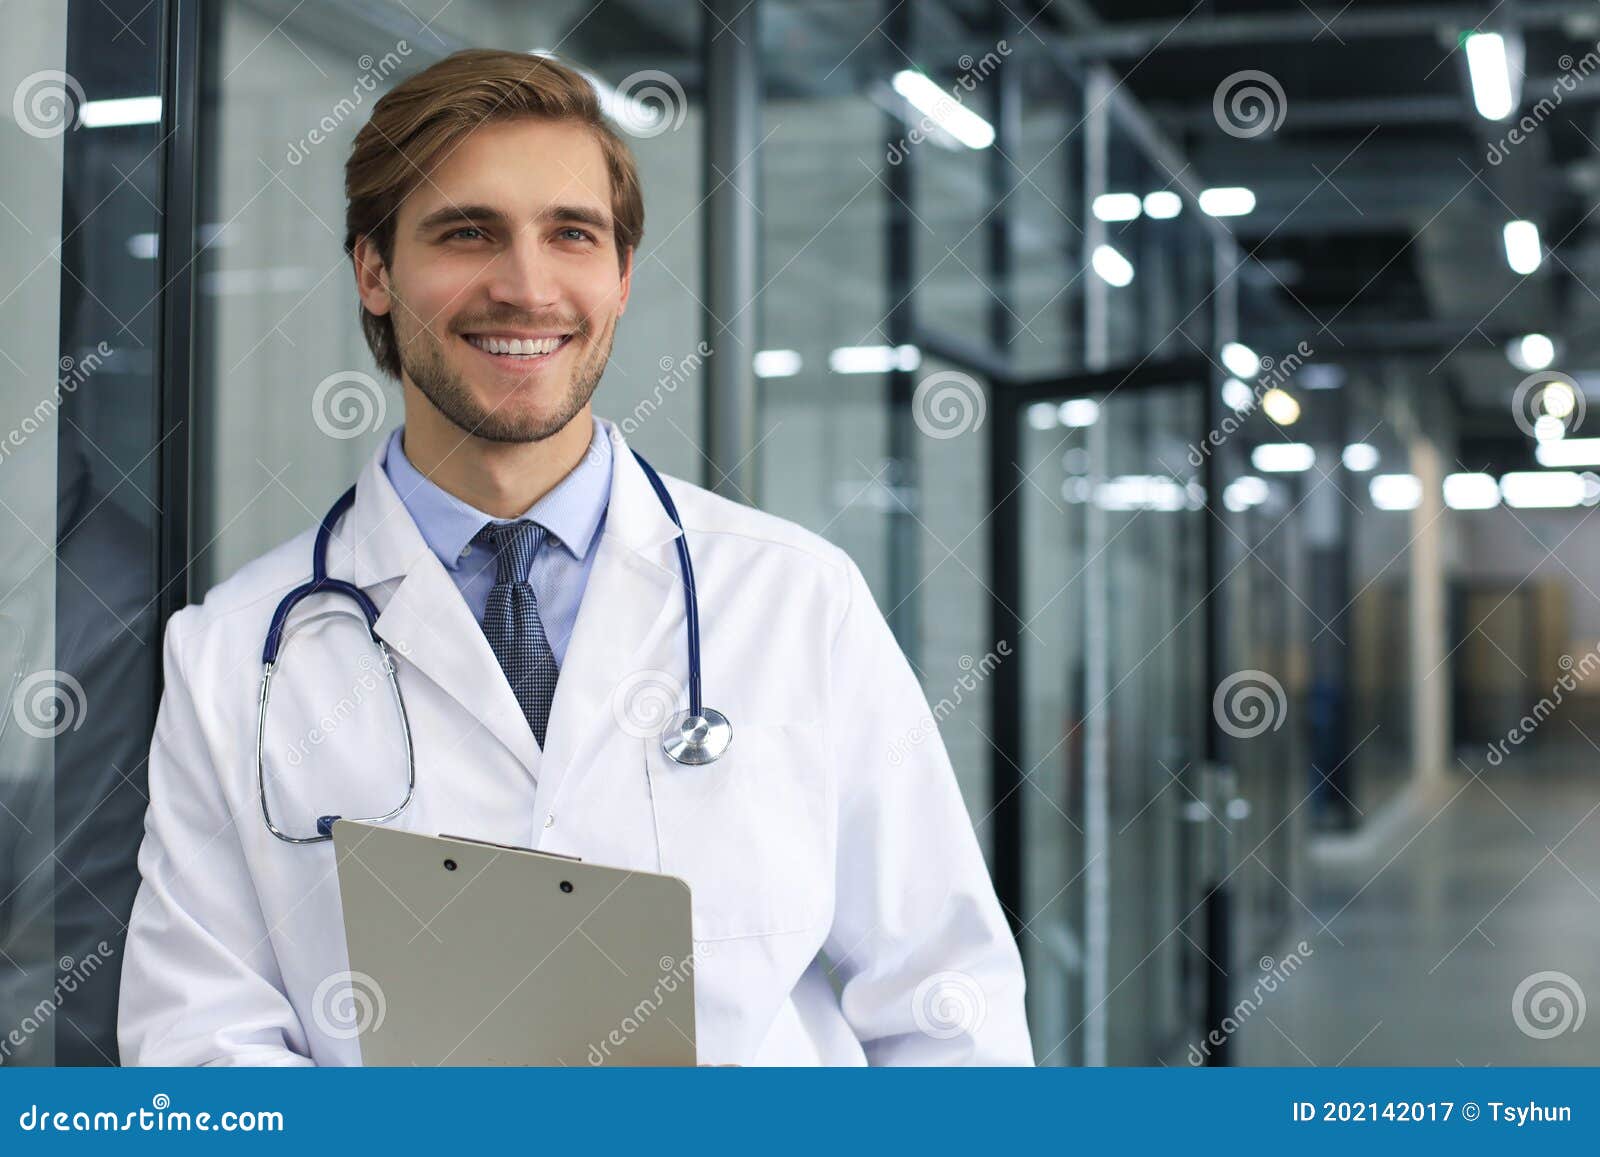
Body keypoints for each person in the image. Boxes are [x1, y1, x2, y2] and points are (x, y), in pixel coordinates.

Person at [117, 48, 1030, 1066]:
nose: (525, 284)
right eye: (467, 232)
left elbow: (946, 1005)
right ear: (375, 271)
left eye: (571, 234)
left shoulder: (796, 599)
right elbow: (200, 1044)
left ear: (622, 276)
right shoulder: (232, 653)